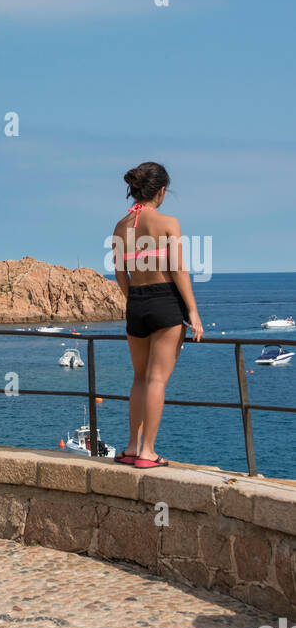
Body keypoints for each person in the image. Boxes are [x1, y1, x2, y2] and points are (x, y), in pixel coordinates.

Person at [111, 162, 204, 468]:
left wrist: (134, 301)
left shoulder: (121, 226)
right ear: (161, 190)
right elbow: (178, 269)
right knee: (157, 380)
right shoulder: (168, 223)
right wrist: (192, 311)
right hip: (165, 302)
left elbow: (120, 273)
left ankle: (131, 447)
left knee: (139, 378)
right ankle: (148, 452)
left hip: (135, 303)